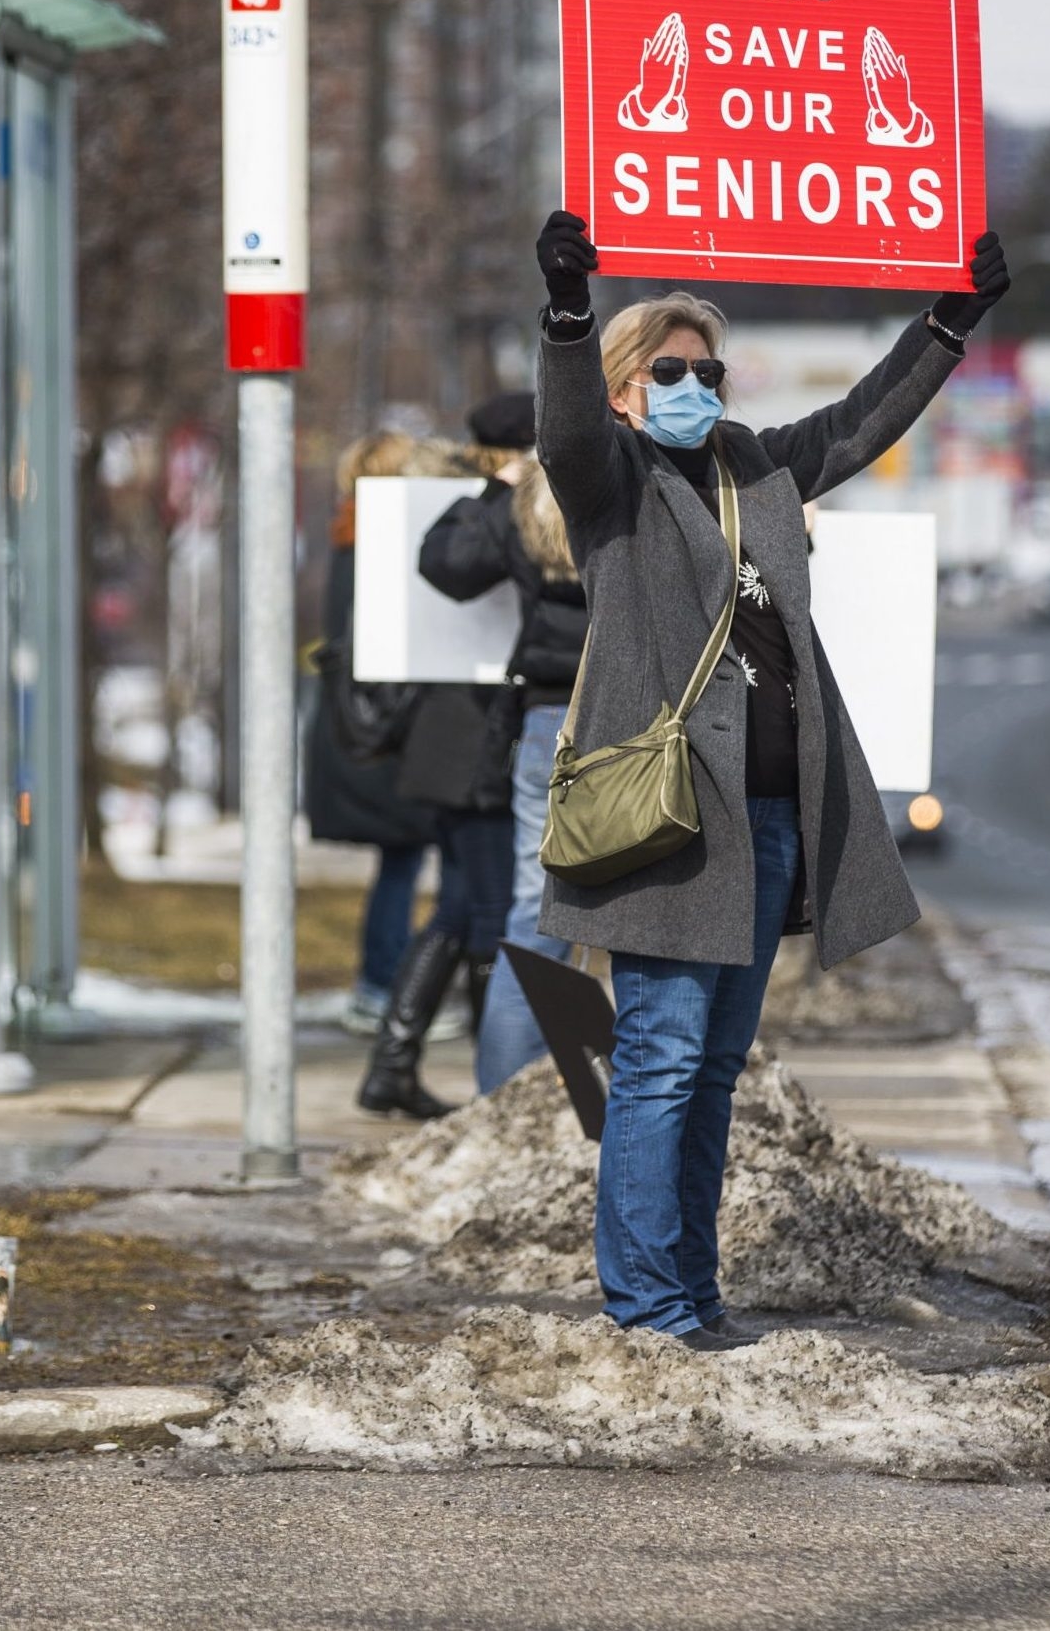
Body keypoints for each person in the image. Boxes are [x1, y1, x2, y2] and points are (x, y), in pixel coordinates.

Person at [532, 208, 1009, 1348]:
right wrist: (563, 313)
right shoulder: (612, 481)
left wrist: (946, 323)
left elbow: (855, 426)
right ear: (625, 388)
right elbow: (559, 436)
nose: (694, 382)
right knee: (656, 1062)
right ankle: (646, 1310)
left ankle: (692, 1298)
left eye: (708, 367)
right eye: (670, 368)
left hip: (765, 820)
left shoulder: (752, 467)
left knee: (709, 1074)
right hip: (666, 820)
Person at [407, 391, 589, 1094]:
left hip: (547, 715)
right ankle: (602, 1098)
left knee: (534, 914)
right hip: (650, 718)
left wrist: (496, 487)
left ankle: (506, 1102)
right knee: (651, 932)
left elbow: (447, 563)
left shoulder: (532, 502)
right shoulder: (636, 484)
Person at [355, 425, 524, 1121]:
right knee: (486, 911)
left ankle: (392, 1065)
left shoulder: (447, 509)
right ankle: (498, 1087)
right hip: (472, 748)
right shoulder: (481, 516)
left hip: (451, 747)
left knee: (459, 907)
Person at [305, 433, 439, 1034]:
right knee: (403, 859)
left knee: (400, 861)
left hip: (355, 725)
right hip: (385, 731)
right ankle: (384, 988)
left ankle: (380, 985)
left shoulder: (346, 534)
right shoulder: (384, 541)